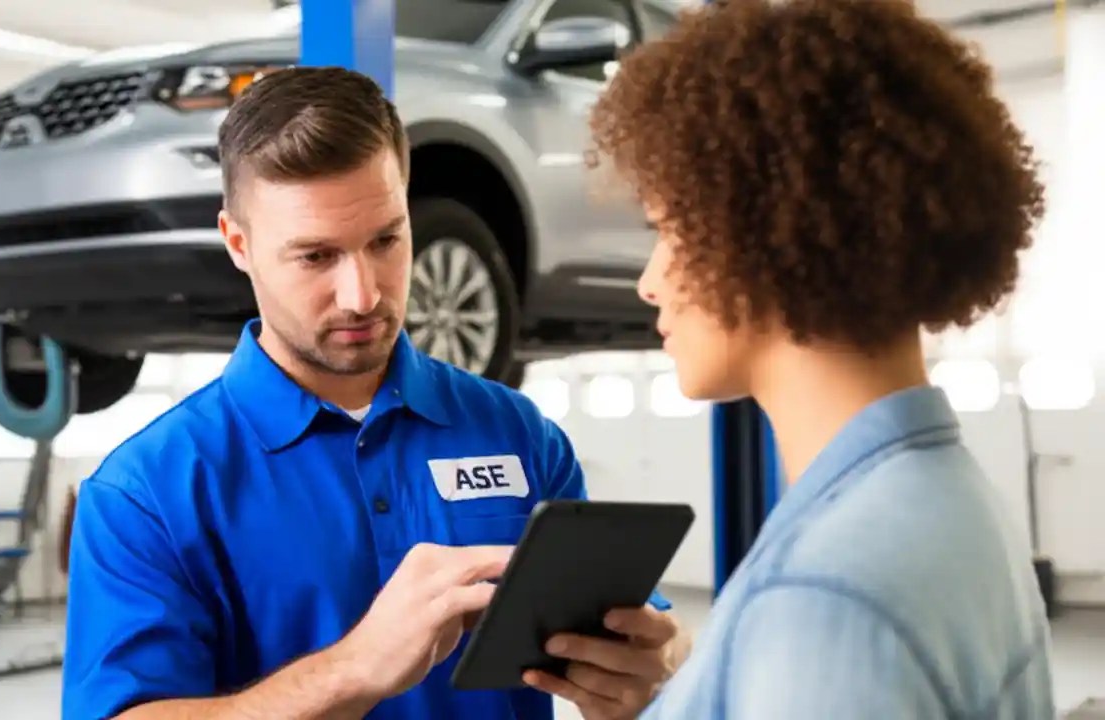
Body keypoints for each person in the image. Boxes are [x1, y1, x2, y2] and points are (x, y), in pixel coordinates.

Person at [61, 66, 687, 720]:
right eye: (315, 257)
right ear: (239, 244)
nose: (363, 295)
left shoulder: (517, 434)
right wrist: (354, 668)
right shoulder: (147, 493)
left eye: (386, 240)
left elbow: (621, 632)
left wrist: (649, 663)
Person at [584, 0, 1056, 717]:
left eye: (668, 229)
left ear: (759, 235)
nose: (649, 281)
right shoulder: (946, 505)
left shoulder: (823, 598)